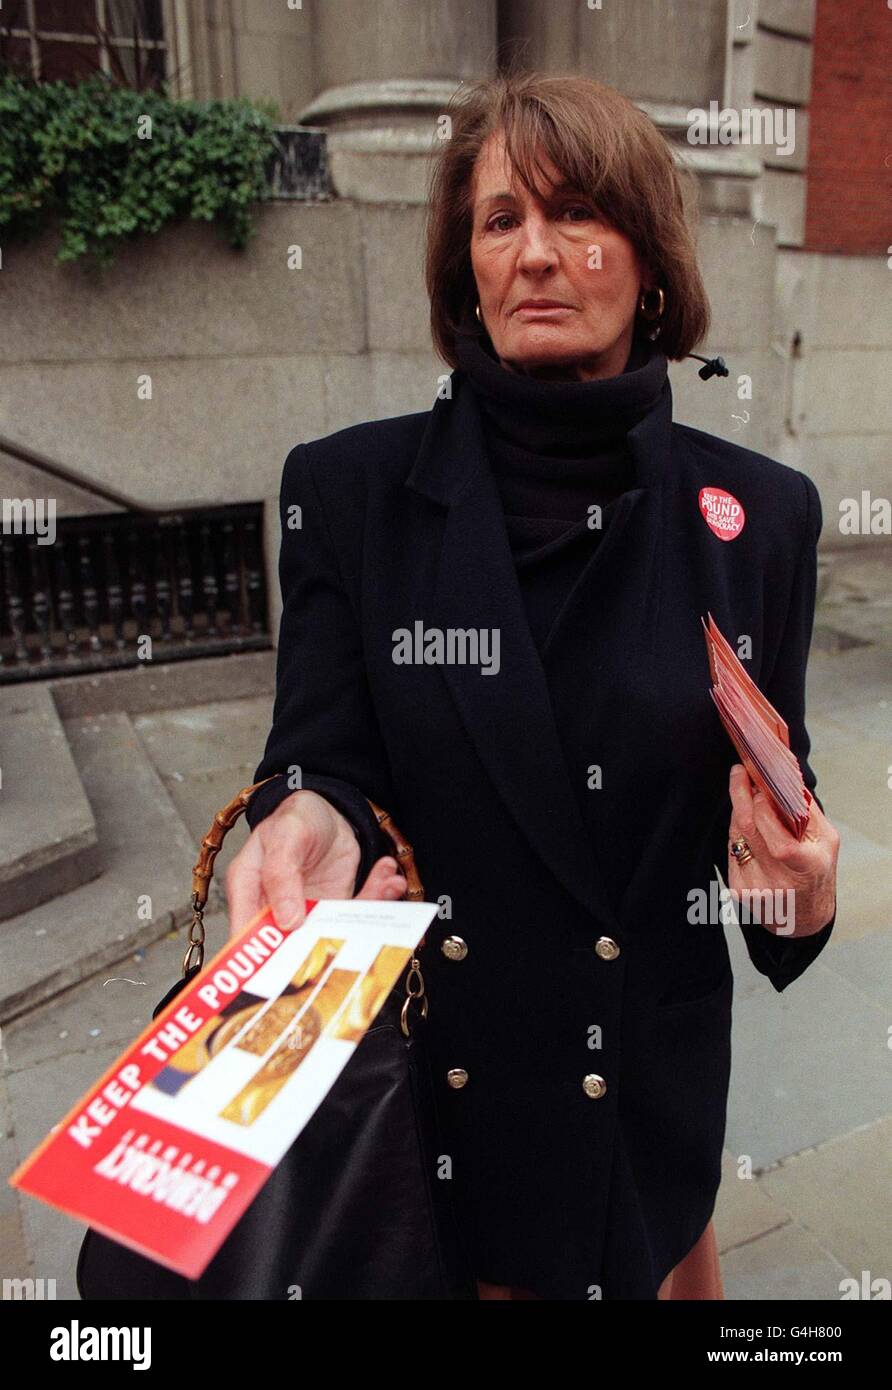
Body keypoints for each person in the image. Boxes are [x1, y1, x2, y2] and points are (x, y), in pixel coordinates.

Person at [225, 73, 839, 1301]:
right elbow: (320, 757)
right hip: (447, 1130)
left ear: (652, 263)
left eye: (578, 215)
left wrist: (799, 895)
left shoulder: (758, 516)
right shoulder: (349, 492)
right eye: (501, 220)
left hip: (647, 1131)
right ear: (465, 268)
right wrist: (298, 814)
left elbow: (767, 828)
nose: (537, 254)